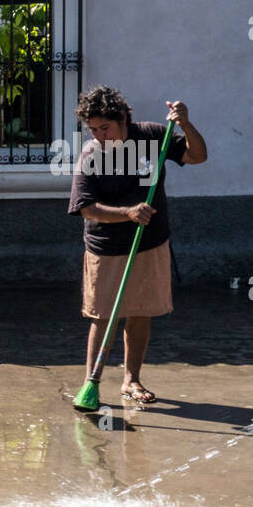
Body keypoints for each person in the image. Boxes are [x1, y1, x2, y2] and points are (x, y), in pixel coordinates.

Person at [68, 87, 207, 404]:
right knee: (103, 316)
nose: (100, 135)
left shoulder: (153, 135)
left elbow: (198, 156)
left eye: (105, 128)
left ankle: (132, 381)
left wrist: (185, 123)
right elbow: (86, 207)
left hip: (150, 242)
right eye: (93, 129)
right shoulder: (91, 155)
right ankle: (93, 382)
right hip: (106, 248)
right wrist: (127, 214)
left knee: (141, 313)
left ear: (124, 119)